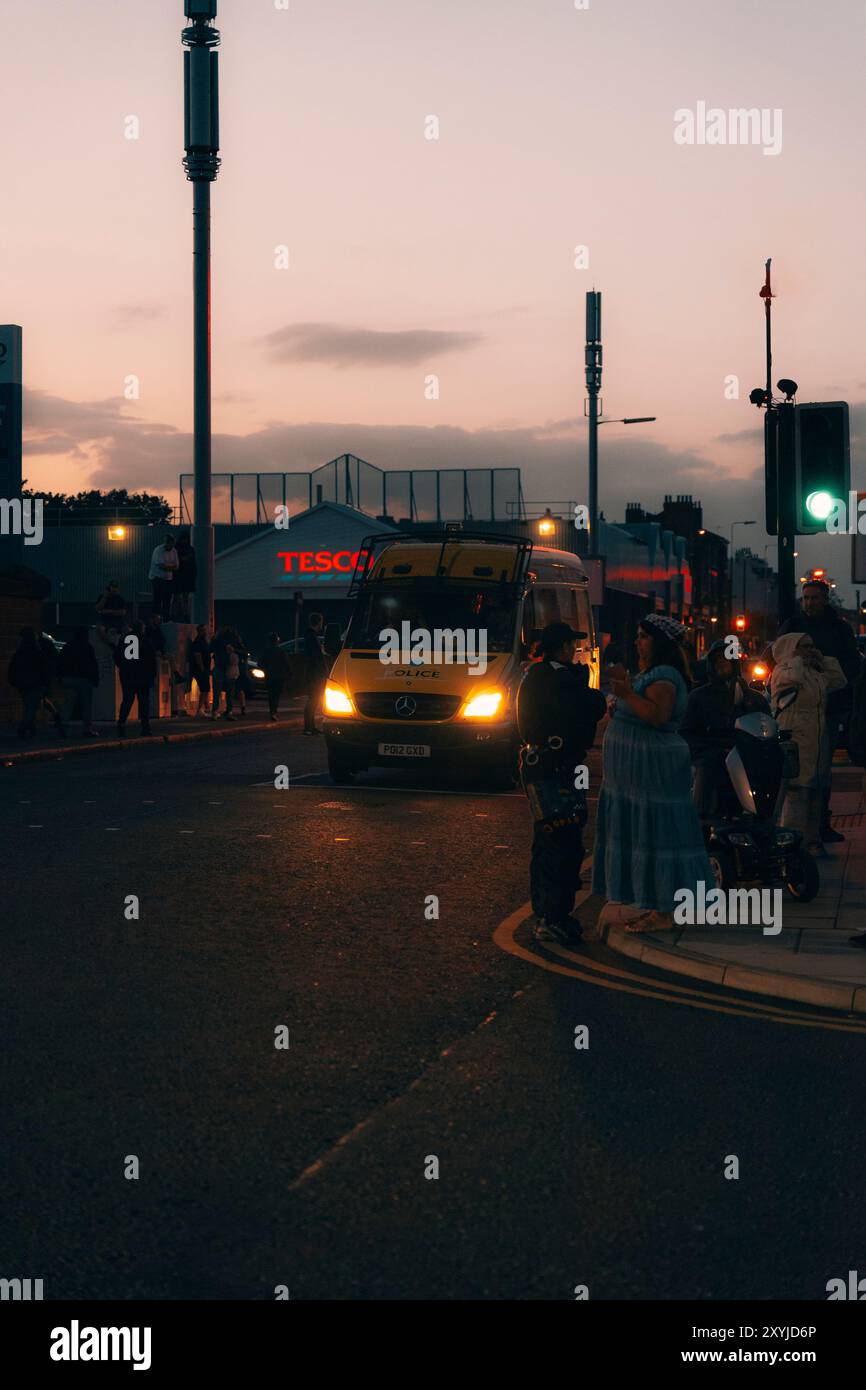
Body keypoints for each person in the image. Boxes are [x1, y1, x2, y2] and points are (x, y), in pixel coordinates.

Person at [591, 613, 713, 934]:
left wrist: (627, 694)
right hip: (634, 773)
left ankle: (663, 911)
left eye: (644, 636)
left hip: (653, 767)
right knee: (643, 833)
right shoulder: (649, 673)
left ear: (659, 643)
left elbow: (658, 716)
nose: (637, 641)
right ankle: (652, 904)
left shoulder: (665, 675)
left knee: (657, 834)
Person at [516, 621, 607, 945]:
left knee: (562, 840)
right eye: (571, 644)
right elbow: (593, 706)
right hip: (550, 768)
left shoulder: (546, 677)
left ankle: (556, 914)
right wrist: (583, 685)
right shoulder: (551, 678)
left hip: (556, 766)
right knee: (557, 840)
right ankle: (549, 917)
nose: (575, 650)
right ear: (561, 647)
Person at [777, 579, 861, 841]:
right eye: (806, 598)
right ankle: (795, 831)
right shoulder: (793, 625)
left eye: (815, 598)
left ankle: (819, 824)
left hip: (829, 706)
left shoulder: (839, 629)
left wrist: (829, 682)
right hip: (795, 711)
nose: (810, 603)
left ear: (826, 599)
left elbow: (850, 667)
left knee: (821, 769)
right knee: (796, 773)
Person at [769, 632, 846, 856]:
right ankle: (791, 843)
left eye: (812, 646)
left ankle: (812, 840)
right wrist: (797, 659)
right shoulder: (783, 670)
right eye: (804, 647)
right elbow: (791, 679)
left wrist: (822, 659)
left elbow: (838, 679)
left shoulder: (814, 674)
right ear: (791, 649)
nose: (810, 651)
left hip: (816, 738)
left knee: (814, 793)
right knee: (797, 794)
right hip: (795, 738)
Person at [680, 639, 770, 816]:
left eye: (726, 657)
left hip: (746, 759)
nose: (721, 662)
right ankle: (702, 824)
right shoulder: (699, 697)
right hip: (712, 759)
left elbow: (765, 726)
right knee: (705, 777)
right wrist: (712, 750)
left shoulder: (752, 698)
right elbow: (686, 733)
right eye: (717, 659)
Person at [114, 620, 157, 737]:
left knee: (127, 700)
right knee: (143, 703)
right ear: (142, 629)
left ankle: (121, 724)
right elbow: (151, 660)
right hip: (142, 676)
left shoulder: (125, 640)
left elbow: (117, 656)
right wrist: (152, 675)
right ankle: (145, 727)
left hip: (127, 675)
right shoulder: (146, 641)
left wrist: (124, 667)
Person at [7, 628, 50, 739]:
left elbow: (13, 669)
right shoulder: (37, 652)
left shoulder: (20, 653)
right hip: (36, 684)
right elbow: (44, 669)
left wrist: (14, 681)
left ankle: (31, 729)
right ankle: (24, 727)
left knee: (29, 706)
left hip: (23, 684)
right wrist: (45, 684)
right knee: (31, 707)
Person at [58, 627, 100, 737]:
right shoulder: (87, 647)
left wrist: (61, 677)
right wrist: (95, 679)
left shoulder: (68, 646)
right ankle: (87, 728)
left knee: (69, 701)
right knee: (86, 704)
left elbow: (60, 662)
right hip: (84, 678)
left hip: (68, 677)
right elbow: (92, 664)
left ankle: (63, 724)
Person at [303, 611, 327, 735]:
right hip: (314, 673)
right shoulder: (312, 638)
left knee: (313, 699)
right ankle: (308, 727)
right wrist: (323, 671)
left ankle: (310, 726)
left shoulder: (310, 637)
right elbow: (316, 657)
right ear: (319, 622)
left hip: (312, 672)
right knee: (313, 699)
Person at [148, 534, 179, 621]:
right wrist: (170, 567)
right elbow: (161, 566)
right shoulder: (158, 550)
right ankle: (155, 618)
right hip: (157, 577)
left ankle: (166, 618)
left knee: (167, 599)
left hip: (168, 579)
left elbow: (176, 566)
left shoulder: (174, 551)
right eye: (170, 544)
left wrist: (167, 567)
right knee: (157, 598)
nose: (171, 546)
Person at [260, 632, 290, 721]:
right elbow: (286, 663)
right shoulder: (281, 651)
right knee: (276, 695)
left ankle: (272, 711)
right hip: (279, 676)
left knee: (271, 695)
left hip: (269, 676)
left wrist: (266, 669)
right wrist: (288, 672)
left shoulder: (266, 651)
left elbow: (260, 663)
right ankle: (274, 712)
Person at [188, 623, 212, 716]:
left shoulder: (202, 641)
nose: (205, 632)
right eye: (204, 630)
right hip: (200, 669)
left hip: (202, 669)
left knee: (205, 688)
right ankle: (199, 710)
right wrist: (202, 668)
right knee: (205, 689)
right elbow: (197, 655)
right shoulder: (199, 641)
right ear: (200, 631)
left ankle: (207, 709)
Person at [172, 532, 197, 622]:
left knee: (180, 597)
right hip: (182, 576)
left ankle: (180, 615)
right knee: (179, 597)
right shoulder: (189, 550)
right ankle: (181, 615)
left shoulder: (176, 549)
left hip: (181, 576)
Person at [221, 643, 240, 720]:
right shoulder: (234, 656)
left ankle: (228, 710)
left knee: (229, 694)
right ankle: (229, 711)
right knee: (230, 694)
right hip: (232, 675)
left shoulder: (229, 656)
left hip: (230, 675)